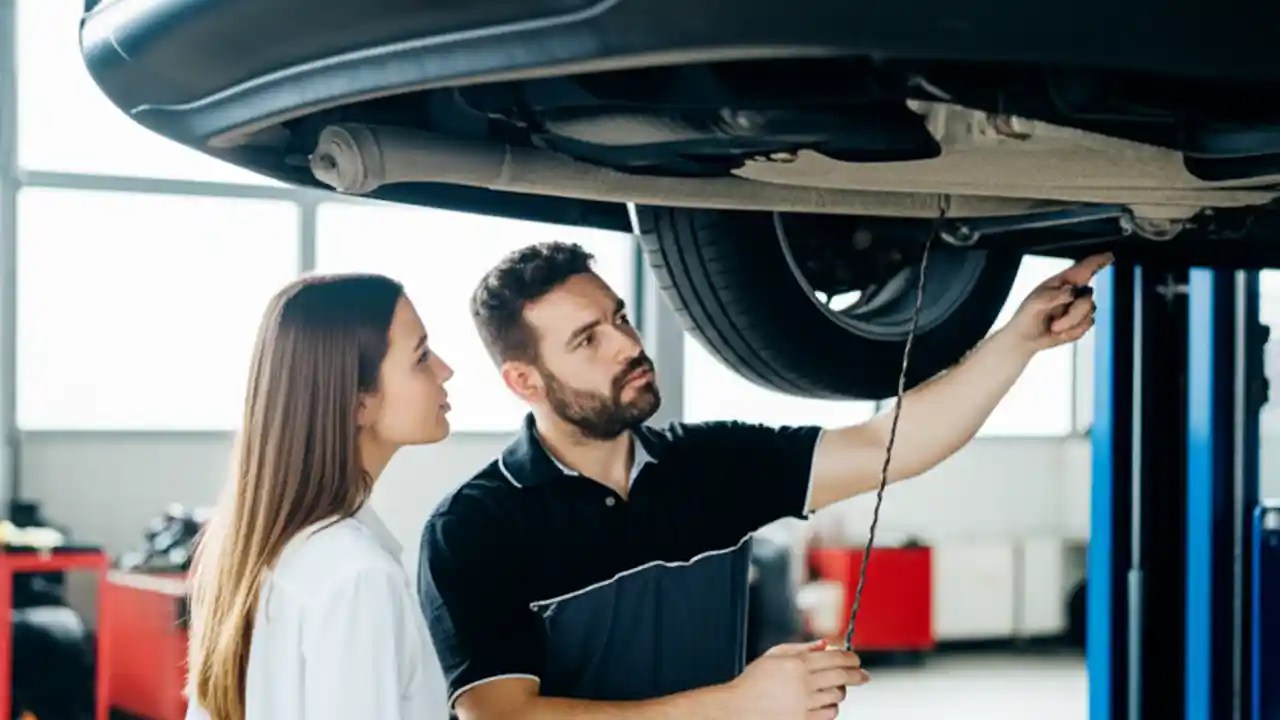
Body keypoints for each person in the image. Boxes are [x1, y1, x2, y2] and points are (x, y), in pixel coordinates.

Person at [418, 242, 1109, 720]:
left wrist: (1019, 338)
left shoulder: (708, 464)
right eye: (587, 340)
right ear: (525, 381)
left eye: (619, 317)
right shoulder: (474, 527)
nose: (628, 344)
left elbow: (887, 445)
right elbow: (502, 716)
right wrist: (739, 704)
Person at [184, 273, 454, 720]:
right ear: (358, 404)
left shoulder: (253, 552)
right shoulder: (359, 576)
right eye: (421, 357)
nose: (445, 370)